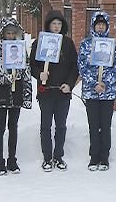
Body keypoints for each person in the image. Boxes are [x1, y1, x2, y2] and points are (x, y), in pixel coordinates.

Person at [0, 17, 32, 175]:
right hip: (0, 93)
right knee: (0, 127)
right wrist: (4, 78)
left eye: (13, 33)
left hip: (16, 92)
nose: (10, 36)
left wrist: (26, 94)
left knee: (13, 127)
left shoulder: (21, 49)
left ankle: (12, 159)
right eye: (7, 33)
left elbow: (26, 70)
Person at [30, 10, 79, 172]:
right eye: (53, 24)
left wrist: (69, 84)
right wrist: (39, 74)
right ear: (48, 25)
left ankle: (58, 156)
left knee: (61, 125)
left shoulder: (68, 43)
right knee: (45, 125)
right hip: (46, 91)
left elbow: (74, 67)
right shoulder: (40, 42)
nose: (56, 27)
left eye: (59, 24)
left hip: (62, 91)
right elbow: (33, 65)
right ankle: (47, 158)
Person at [78, 12, 116, 171]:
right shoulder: (86, 43)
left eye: (103, 24)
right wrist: (94, 83)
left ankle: (104, 156)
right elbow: (82, 66)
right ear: (93, 26)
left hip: (108, 92)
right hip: (91, 92)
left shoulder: (113, 44)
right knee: (93, 124)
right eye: (98, 24)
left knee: (105, 124)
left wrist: (105, 82)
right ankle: (94, 156)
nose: (101, 27)